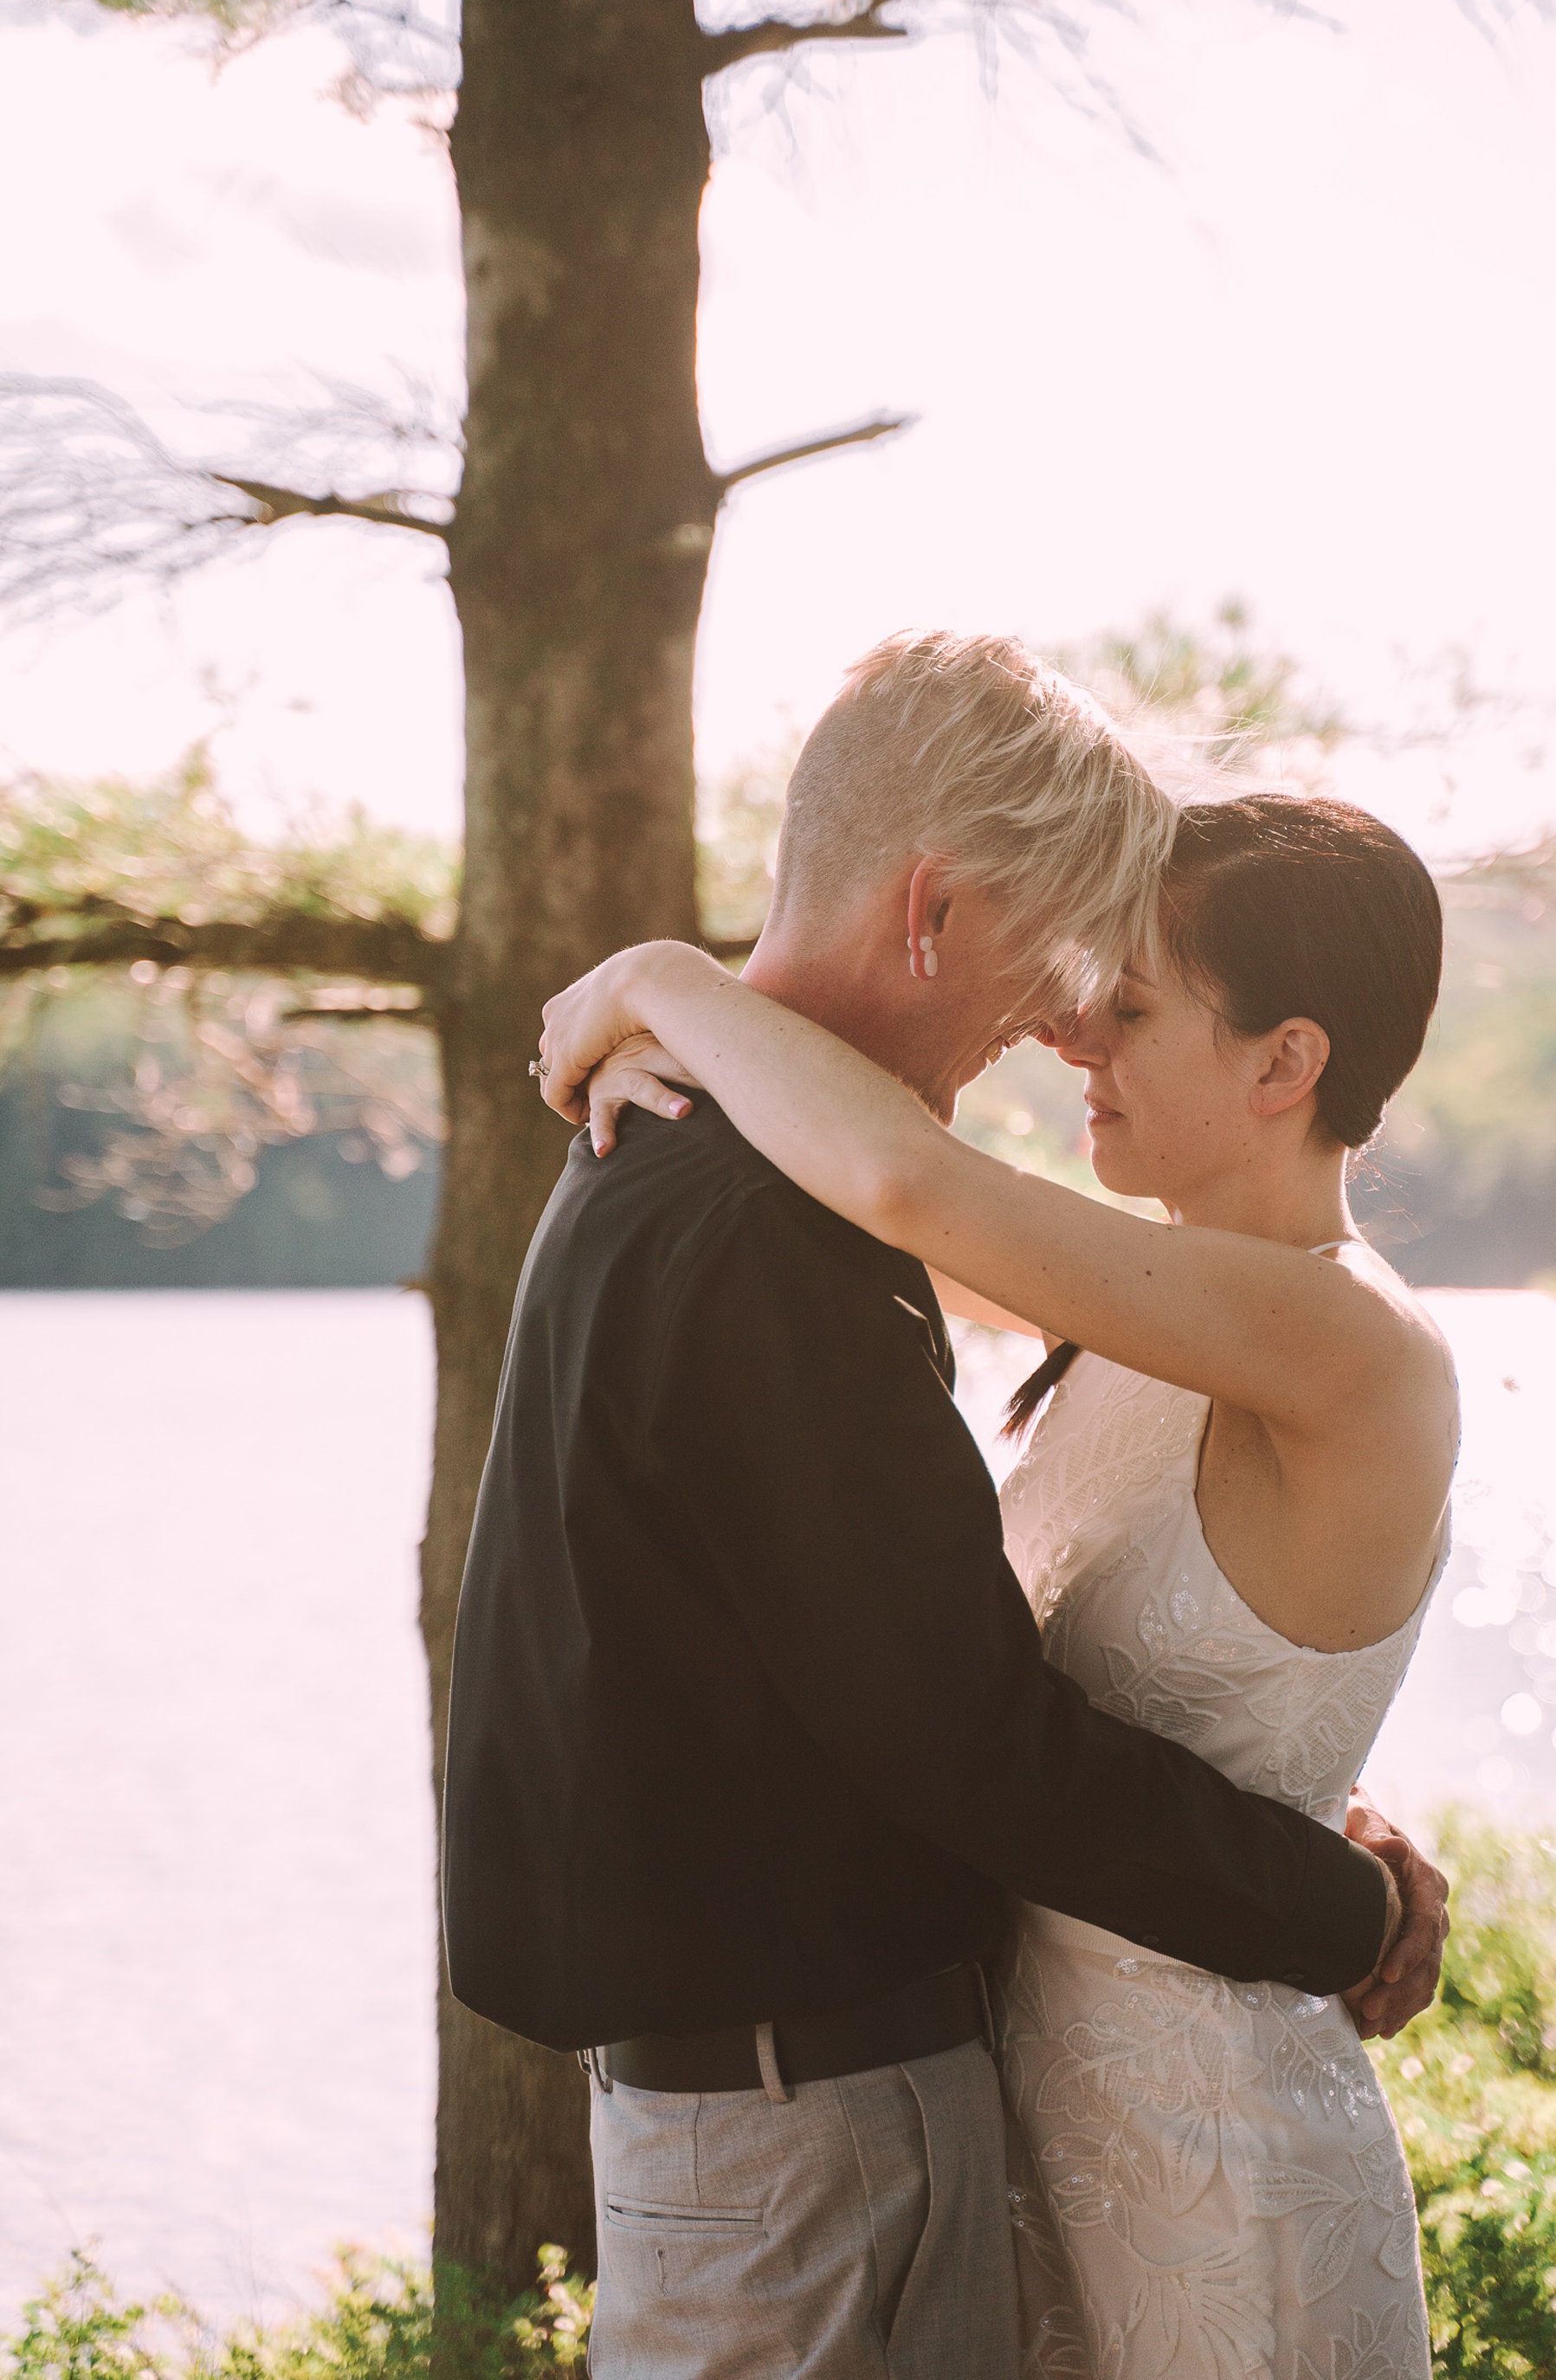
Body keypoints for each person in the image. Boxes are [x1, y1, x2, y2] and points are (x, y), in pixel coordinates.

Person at [445, 631, 1446, 2380]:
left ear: (1285, 1063)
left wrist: (670, 985)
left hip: (1125, 2124)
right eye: (1071, 971)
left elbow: (915, 1191)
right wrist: (1329, 1898)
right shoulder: (762, 1201)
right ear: (933, 917)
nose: (1062, 1028)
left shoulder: (738, 1165)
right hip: (835, 2137)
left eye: (1122, 1002)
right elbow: (975, 1724)